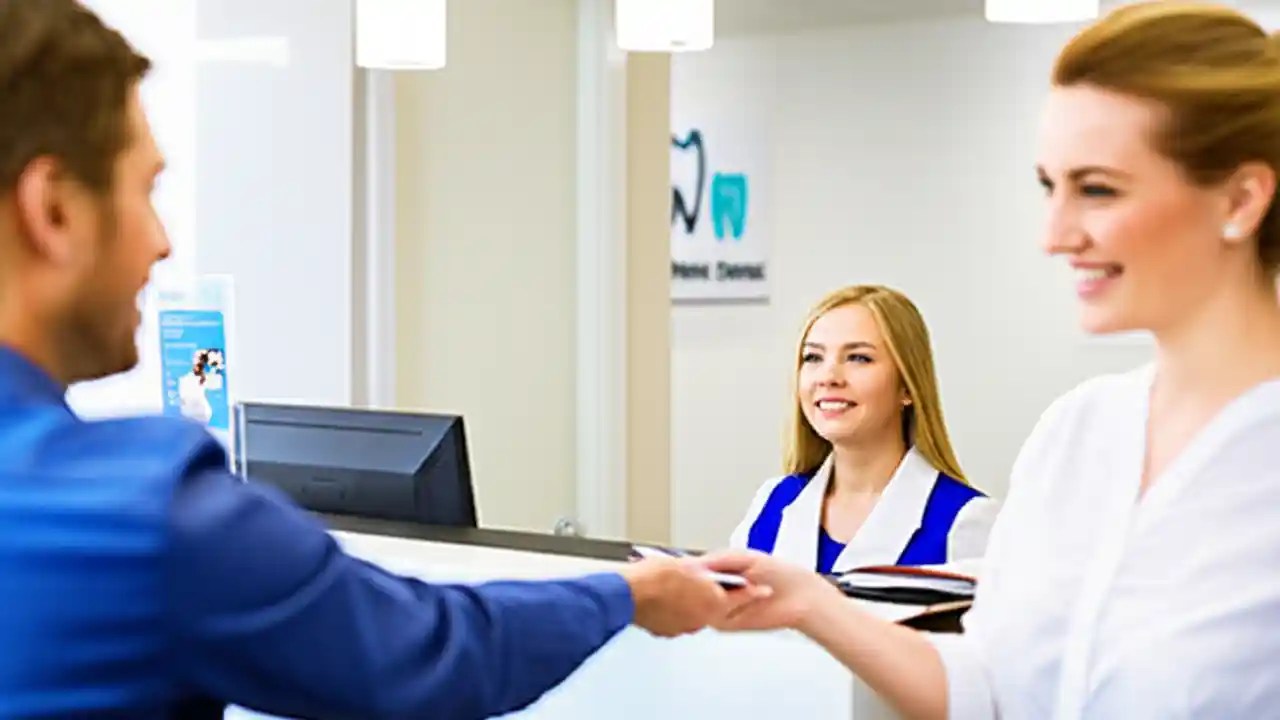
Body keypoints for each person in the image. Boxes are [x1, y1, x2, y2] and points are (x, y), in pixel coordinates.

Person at [0, 2, 761, 718]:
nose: (160, 241)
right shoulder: (141, 513)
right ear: (54, 209)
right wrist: (627, 594)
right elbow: (437, 652)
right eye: (146, 191)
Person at [698, 2, 1280, 718]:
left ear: (1242, 198)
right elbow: (986, 686)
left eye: (1097, 188)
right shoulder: (1076, 433)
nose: (1054, 234)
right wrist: (811, 604)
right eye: (1048, 186)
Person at [729, 285, 998, 574]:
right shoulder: (773, 503)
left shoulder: (966, 521)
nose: (828, 377)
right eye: (813, 358)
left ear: (907, 385)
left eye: (858, 358)